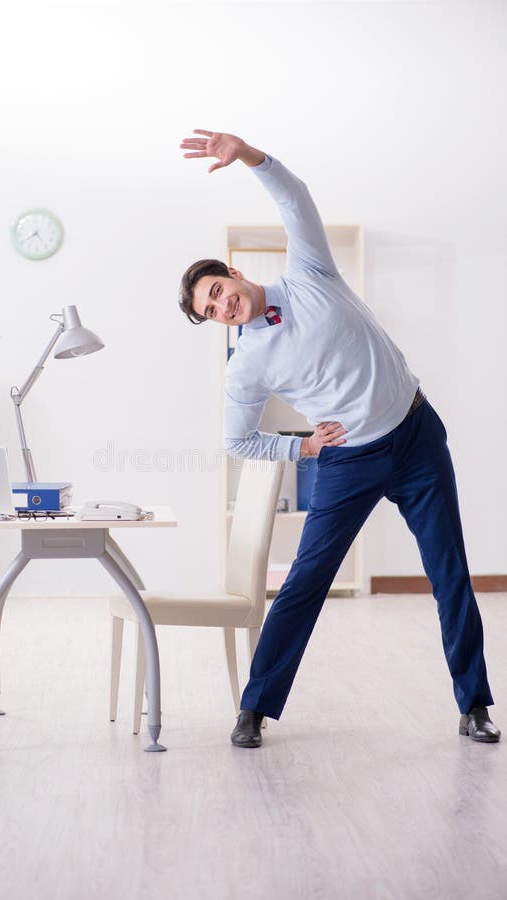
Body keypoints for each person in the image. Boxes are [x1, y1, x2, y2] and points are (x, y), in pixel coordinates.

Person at [178, 129, 500, 749]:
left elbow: (294, 199)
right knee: (305, 582)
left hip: (416, 438)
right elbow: (237, 440)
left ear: (235, 274)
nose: (224, 306)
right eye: (212, 310)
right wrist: (300, 448)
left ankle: (475, 705)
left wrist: (244, 153)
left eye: (219, 291)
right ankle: (255, 708)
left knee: (449, 570)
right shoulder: (244, 365)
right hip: (349, 462)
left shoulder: (308, 273)